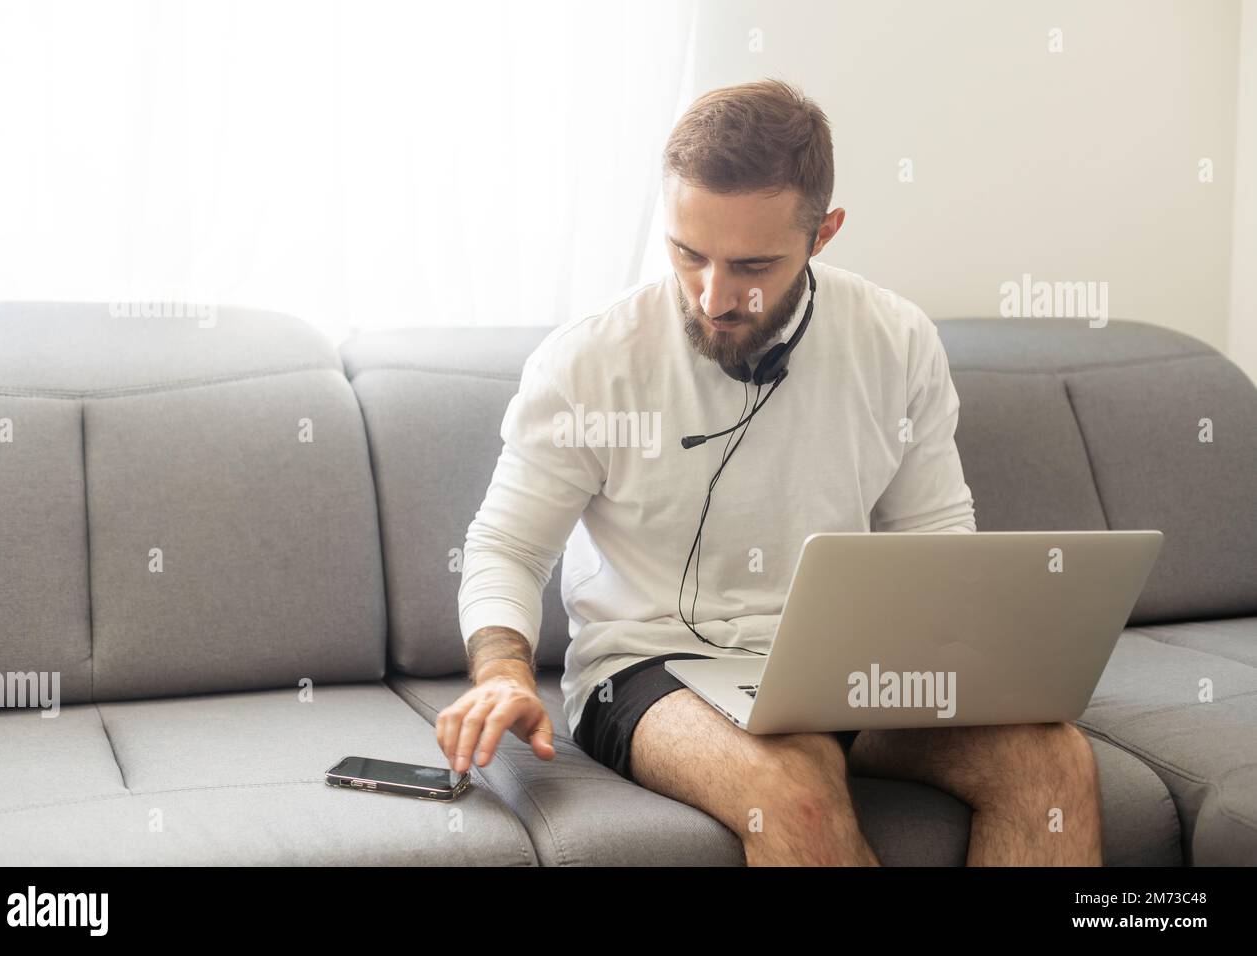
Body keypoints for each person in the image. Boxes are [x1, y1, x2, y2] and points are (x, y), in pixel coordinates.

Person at [436, 78, 1101, 866]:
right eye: (688, 254)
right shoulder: (588, 363)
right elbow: (506, 548)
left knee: (1053, 759)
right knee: (794, 787)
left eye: (751, 264)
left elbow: (935, 541)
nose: (713, 298)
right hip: (649, 669)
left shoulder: (895, 340)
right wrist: (506, 672)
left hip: (850, 665)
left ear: (824, 234)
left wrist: (963, 659)